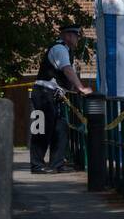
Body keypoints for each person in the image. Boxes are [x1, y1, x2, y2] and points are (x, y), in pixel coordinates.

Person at [29, 25, 92, 174]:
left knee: (61, 129)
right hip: (44, 94)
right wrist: (81, 87)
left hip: (55, 95)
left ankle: (56, 164)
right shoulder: (60, 49)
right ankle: (36, 165)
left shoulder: (67, 51)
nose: (78, 39)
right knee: (42, 129)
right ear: (68, 35)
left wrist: (75, 88)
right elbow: (67, 70)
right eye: (77, 36)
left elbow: (65, 76)